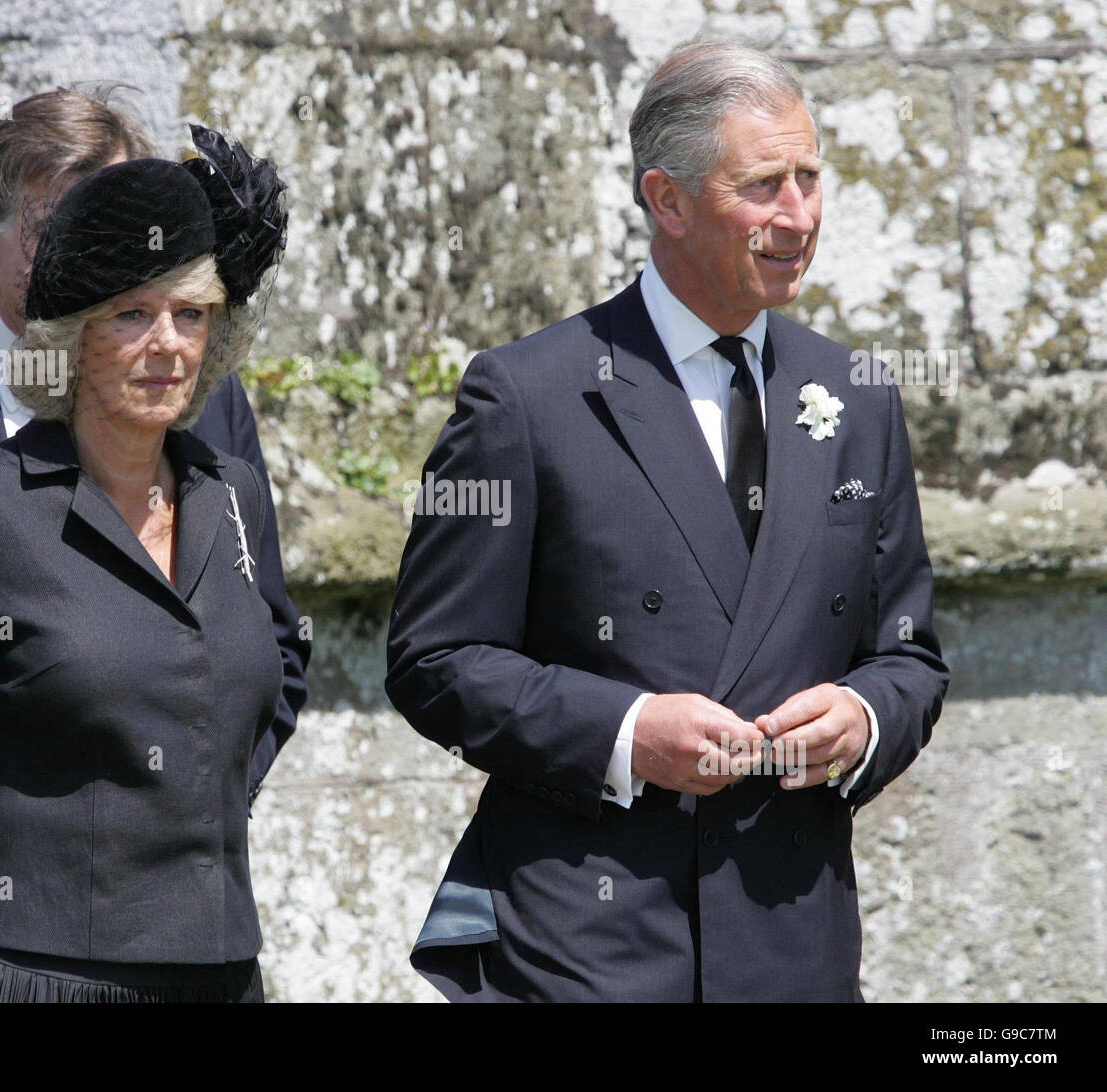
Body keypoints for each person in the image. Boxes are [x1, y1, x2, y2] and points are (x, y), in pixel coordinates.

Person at [384, 41, 949, 1002]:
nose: (799, 217)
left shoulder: (857, 395)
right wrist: (628, 730)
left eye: (810, 178)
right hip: (591, 948)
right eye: (764, 185)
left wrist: (860, 718)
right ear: (669, 199)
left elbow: (910, 657)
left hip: (792, 944)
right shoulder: (528, 396)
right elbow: (436, 660)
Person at [0, 87, 309, 1003]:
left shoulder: (224, 484)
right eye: (129, 312)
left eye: (190, 315)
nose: (166, 343)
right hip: (7, 949)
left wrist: (177, 788)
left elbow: (269, 655)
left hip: (209, 955)